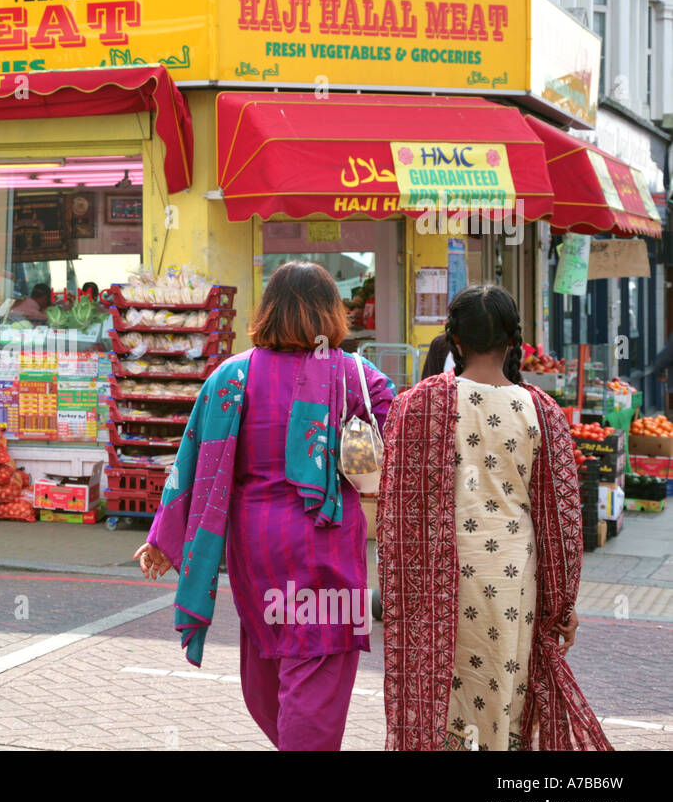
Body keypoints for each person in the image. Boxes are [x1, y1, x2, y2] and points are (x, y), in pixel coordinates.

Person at [135, 261, 396, 750]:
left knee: (268, 661)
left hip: (258, 551)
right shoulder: (354, 374)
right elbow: (405, 437)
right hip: (327, 549)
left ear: (267, 311)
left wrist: (163, 539)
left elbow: (194, 462)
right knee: (317, 667)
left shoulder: (231, 377)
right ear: (330, 313)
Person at [377, 285, 610, 751]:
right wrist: (563, 605)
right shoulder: (540, 410)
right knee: (502, 692)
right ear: (513, 341)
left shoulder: (416, 403)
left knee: (444, 693)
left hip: (439, 578)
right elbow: (563, 521)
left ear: (454, 341)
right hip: (512, 579)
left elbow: (394, 504)